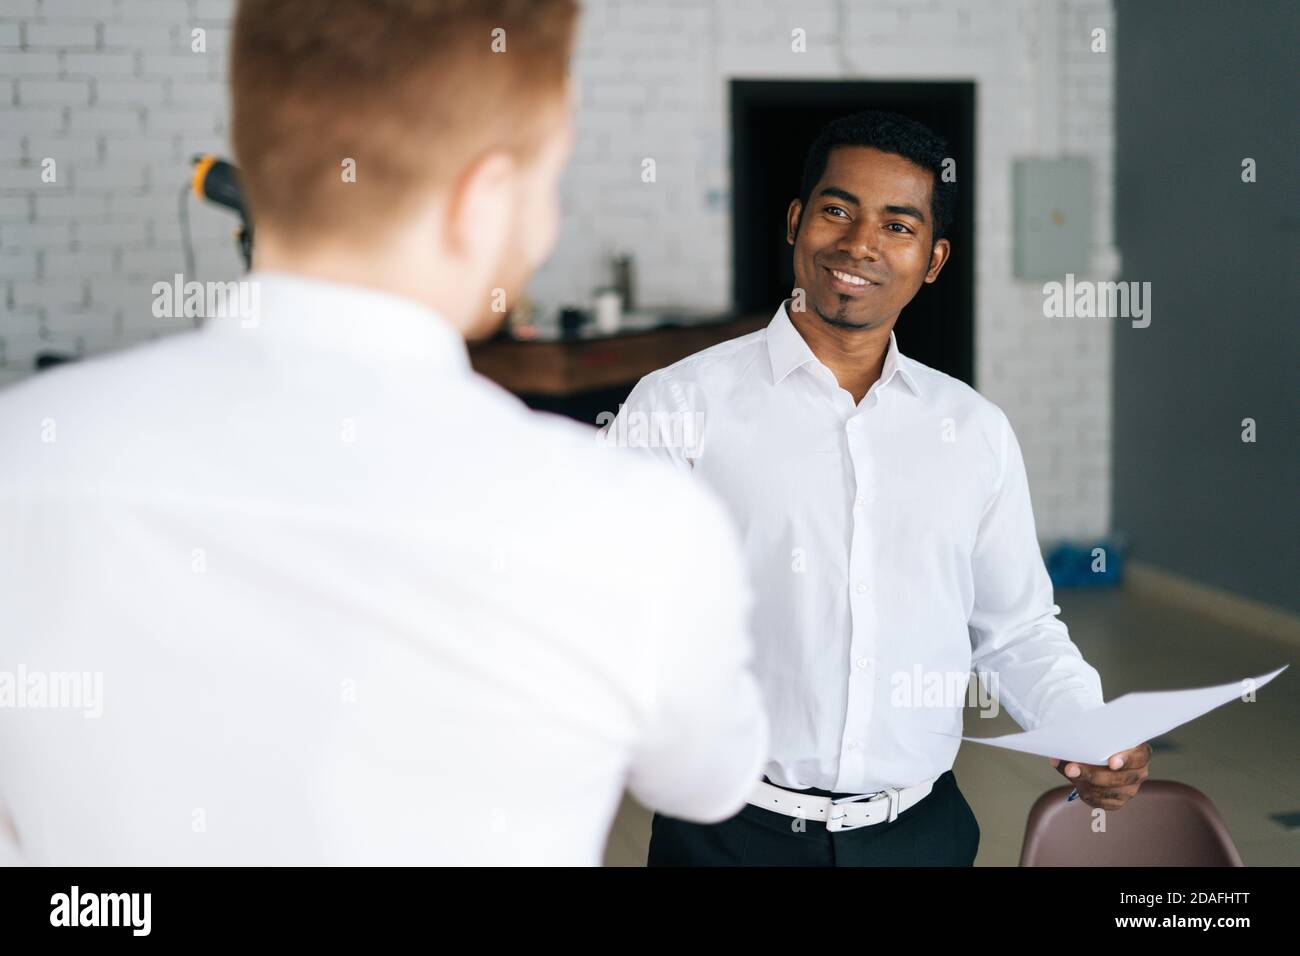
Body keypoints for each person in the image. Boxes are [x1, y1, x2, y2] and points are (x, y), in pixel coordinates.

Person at [0, 0, 768, 865]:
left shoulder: (23, 453)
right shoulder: (644, 530)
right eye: (549, 181)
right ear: (483, 201)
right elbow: (711, 779)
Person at [610, 111, 1151, 867]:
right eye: (837, 210)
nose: (860, 244)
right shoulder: (677, 406)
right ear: (797, 222)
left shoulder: (974, 430)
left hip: (921, 836)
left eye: (899, 225)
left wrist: (1089, 730)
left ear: (933, 259)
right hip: (729, 834)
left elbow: (1018, 630)